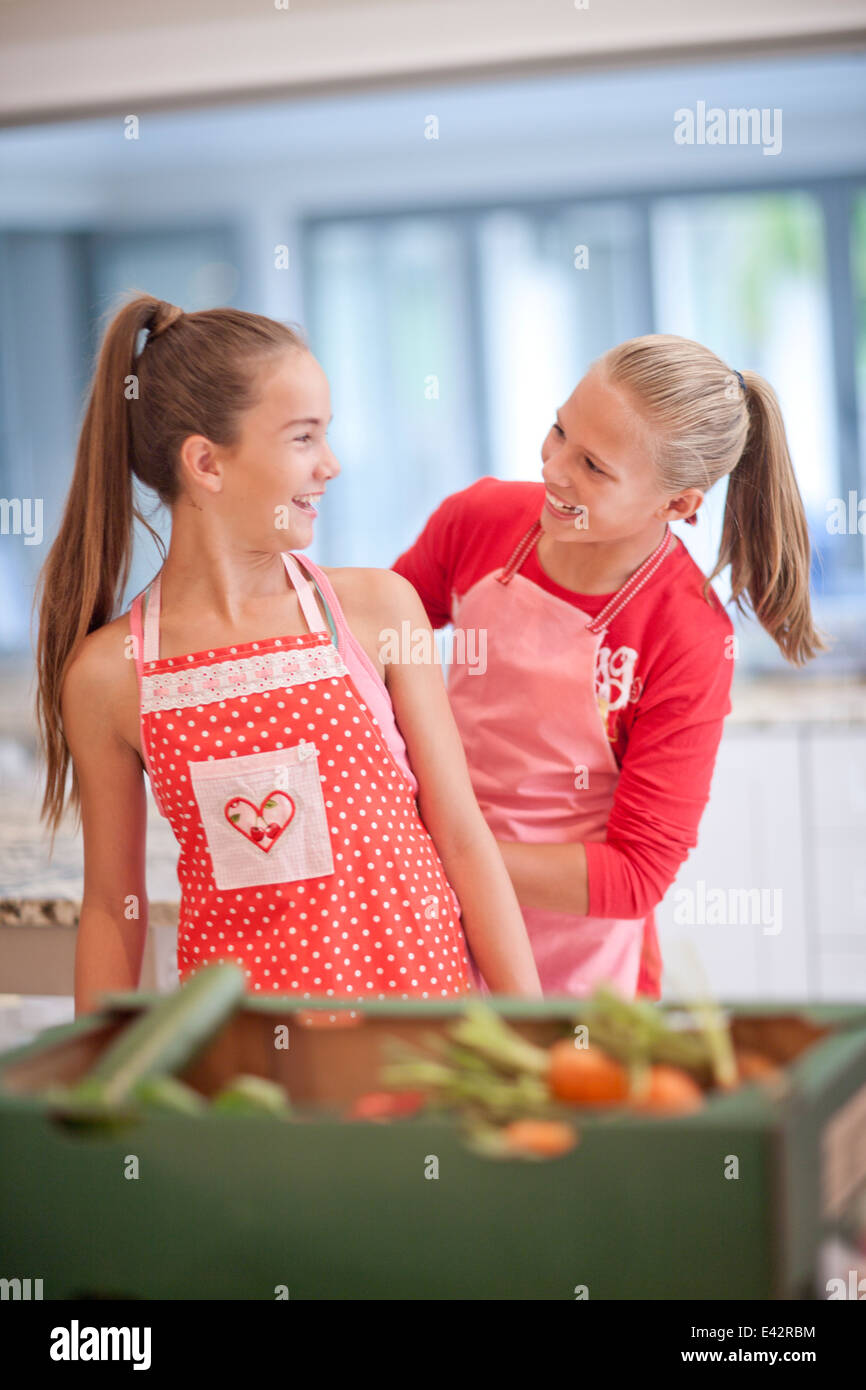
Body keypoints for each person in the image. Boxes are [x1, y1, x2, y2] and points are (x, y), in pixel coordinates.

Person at [34, 294, 542, 1016]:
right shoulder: (109, 676)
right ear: (206, 463)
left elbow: (461, 838)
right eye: (304, 438)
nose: (330, 465)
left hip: (431, 1031)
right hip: (251, 1059)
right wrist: (105, 1091)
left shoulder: (376, 610)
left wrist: (536, 1031)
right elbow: (113, 911)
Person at [392, 333, 825, 999]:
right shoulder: (478, 520)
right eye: (559, 431)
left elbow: (635, 875)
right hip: (430, 926)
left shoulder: (686, 633)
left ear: (678, 504)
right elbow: (380, 648)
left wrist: (450, 857)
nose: (554, 469)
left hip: (577, 965)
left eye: (593, 466)